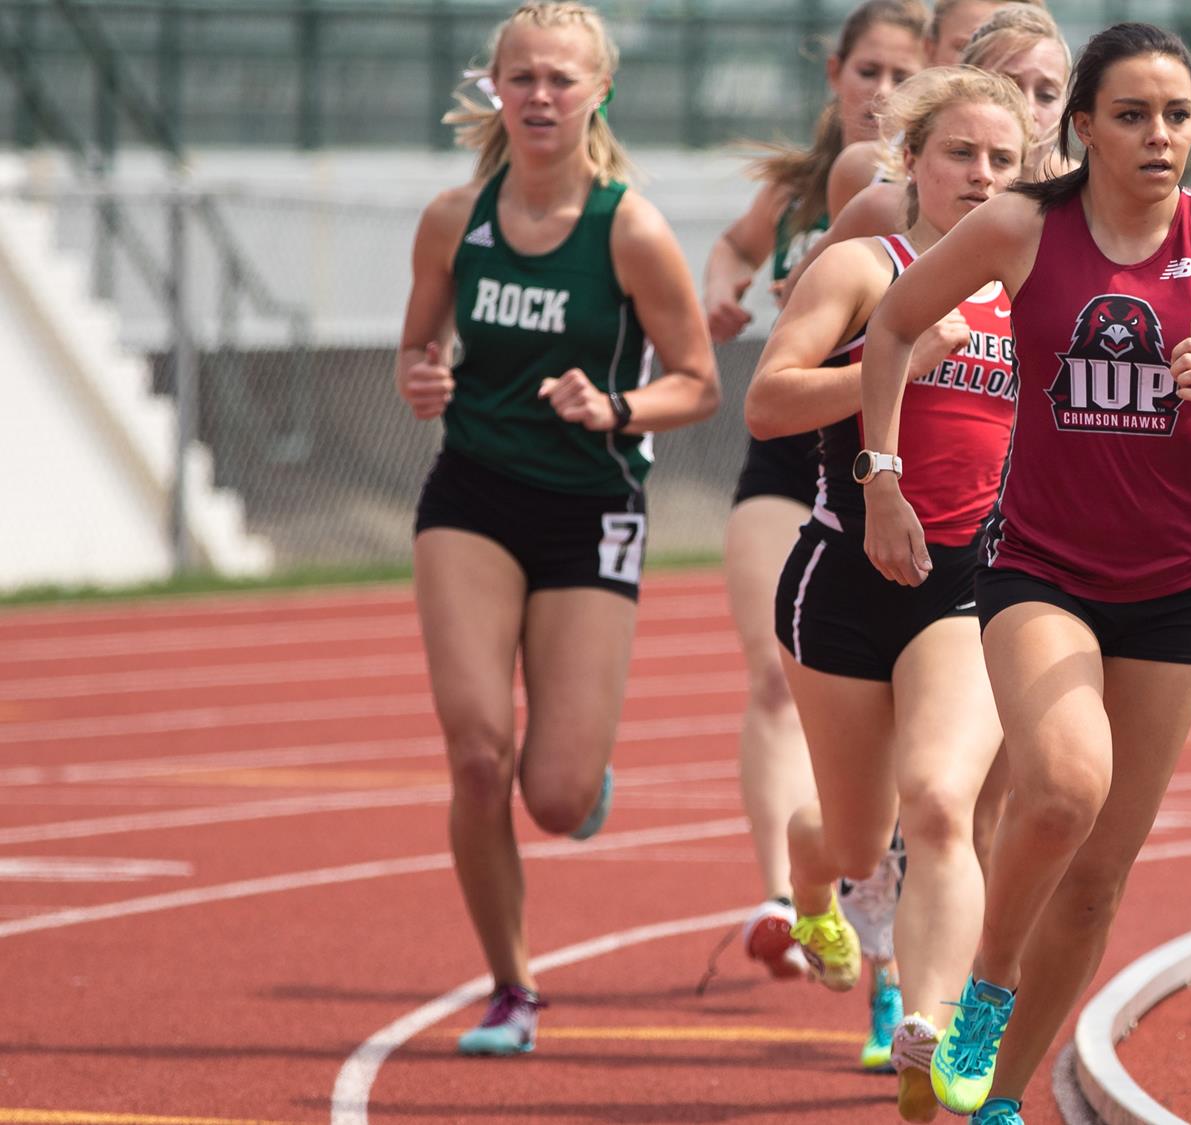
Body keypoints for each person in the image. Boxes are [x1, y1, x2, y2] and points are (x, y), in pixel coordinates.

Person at [852, 23, 1191, 1124]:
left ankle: (995, 1102)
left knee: (1098, 877)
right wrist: (880, 476)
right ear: (1083, 125)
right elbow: (894, 323)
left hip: (1178, 583)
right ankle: (983, 994)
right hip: (1039, 569)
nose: (1161, 137)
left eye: (1178, 115)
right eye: (1135, 115)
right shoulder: (1021, 226)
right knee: (1058, 786)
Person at [393, 0, 719, 1057]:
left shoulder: (628, 227)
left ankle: (580, 781)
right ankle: (512, 987)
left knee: (554, 792)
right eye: (521, 77)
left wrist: (616, 408)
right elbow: (417, 353)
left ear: (597, 94)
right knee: (477, 755)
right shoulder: (454, 219)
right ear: (494, 87)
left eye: (560, 80)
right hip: (474, 497)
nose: (539, 95)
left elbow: (700, 385)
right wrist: (425, 376)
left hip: (592, 507)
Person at [742, 65, 1033, 1124]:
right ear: (911, 162)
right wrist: (892, 368)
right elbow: (767, 404)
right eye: (960, 152)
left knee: (943, 805)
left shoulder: (1034, 288)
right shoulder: (866, 267)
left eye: (1003, 160)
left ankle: (931, 1019)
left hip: (968, 583)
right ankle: (809, 876)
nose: (981, 175)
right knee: (862, 843)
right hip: (841, 577)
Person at [700, 0, 925, 1071]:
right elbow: (732, 254)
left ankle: (890, 981)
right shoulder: (812, 186)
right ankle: (783, 896)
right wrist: (724, 297)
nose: (879, 90)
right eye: (866, 69)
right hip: (795, 454)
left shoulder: (941, 191)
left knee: (909, 766)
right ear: (834, 72)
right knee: (772, 675)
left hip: (893, 456)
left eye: (901, 71)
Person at [791, 4, 1069, 305]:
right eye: (1007, 87)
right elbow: (800, 305)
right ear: (966, 84)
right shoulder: (875, 192)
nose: (1027, 109)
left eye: (1046, 95)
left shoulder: (1086, 198)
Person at [823, 0, 1049, 220]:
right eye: (967, 46)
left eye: (1001, 159)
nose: (984, 64)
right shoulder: (866, 178)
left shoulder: (1065, 185)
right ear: (930, 50)